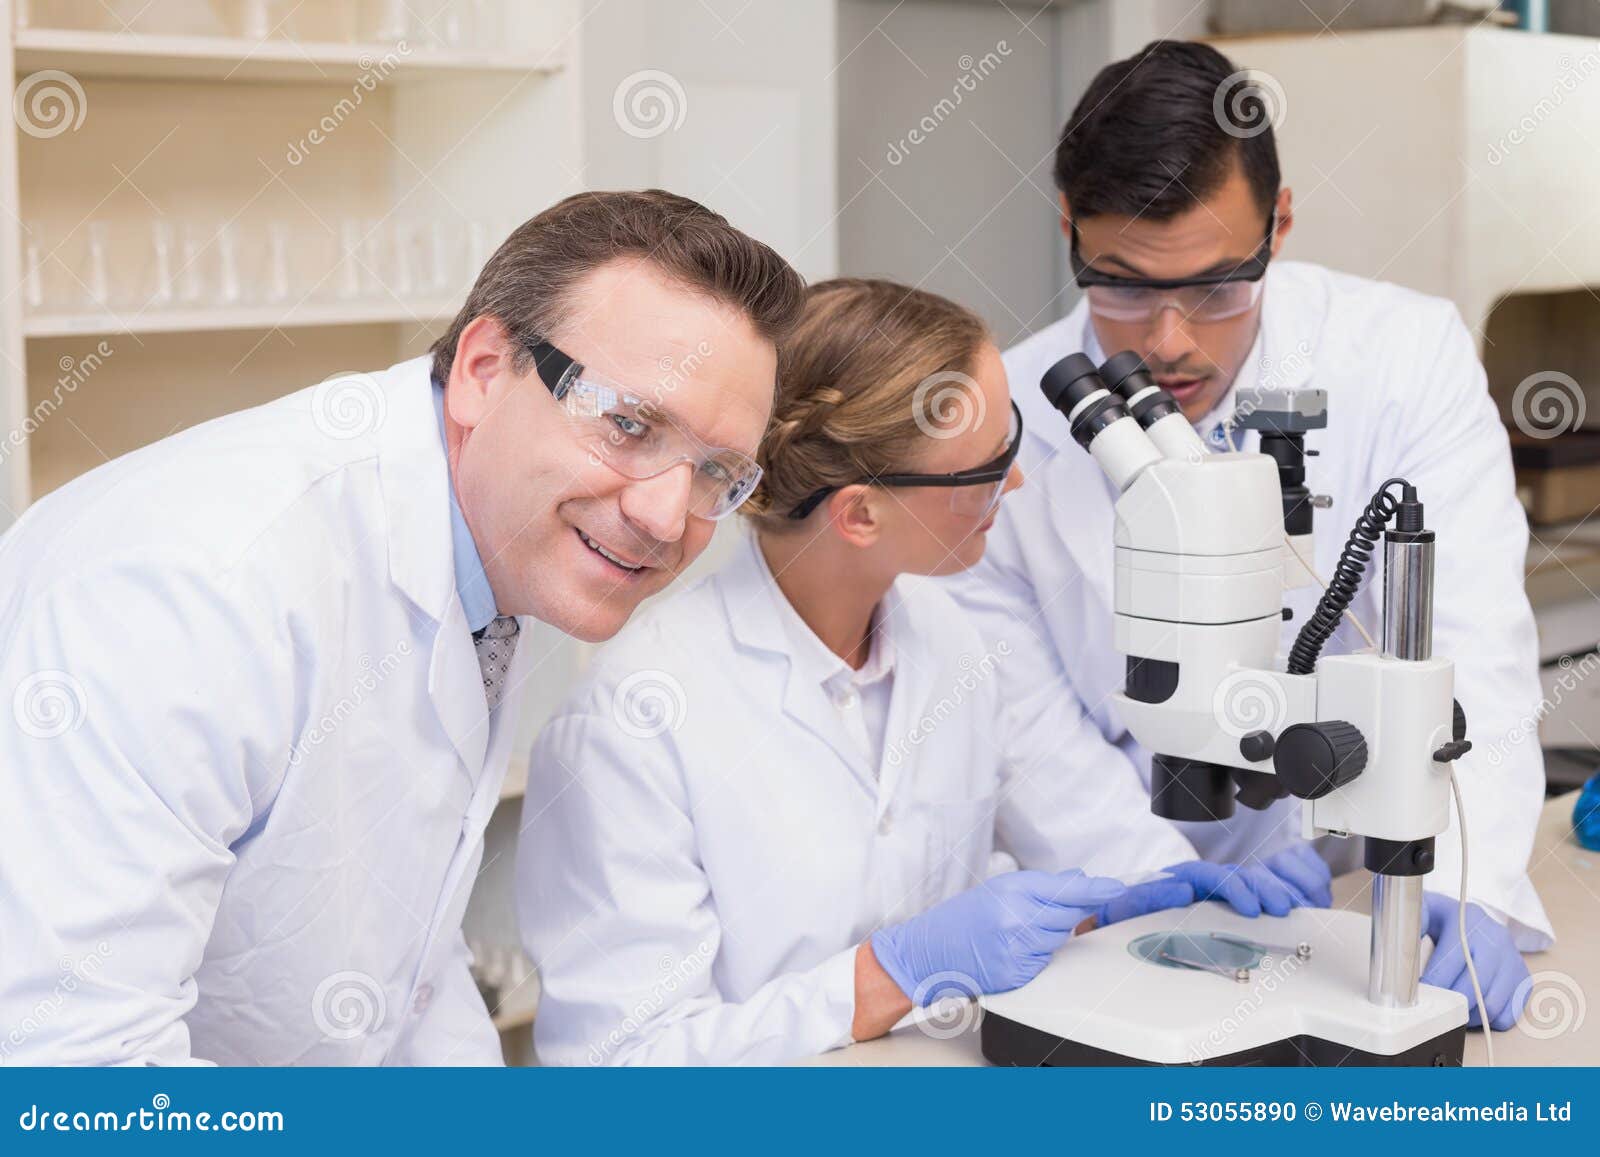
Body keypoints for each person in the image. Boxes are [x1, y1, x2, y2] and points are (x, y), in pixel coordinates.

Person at [0, 190, 803, 1065]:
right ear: (484, 369)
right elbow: (72, 1081)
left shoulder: (494, 550)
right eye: (629, 424)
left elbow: (403, 963)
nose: (664, 516)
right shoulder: (197, 588)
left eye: (716, 473)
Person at [517, 278, 1332, 1066]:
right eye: (986, 468)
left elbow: (1084, 821)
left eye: (1012, 439)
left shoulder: (955, 638)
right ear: (860, 513)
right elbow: (622, 1061)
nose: (1016, 480)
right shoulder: (632, 723)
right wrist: (889, 973)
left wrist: (1168, 892)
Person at [945, 40, 1549, 1030]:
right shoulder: (1000, 415)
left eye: (1218, 287)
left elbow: (1473, 645)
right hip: (1118, 881)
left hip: (1342, 878)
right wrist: (1155, 879)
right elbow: (1017, 712)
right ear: (1068, 230)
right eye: (1122, 286)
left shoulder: (1403, 358)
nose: (1169, 342)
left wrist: (1461, 881)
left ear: (1280, 223)